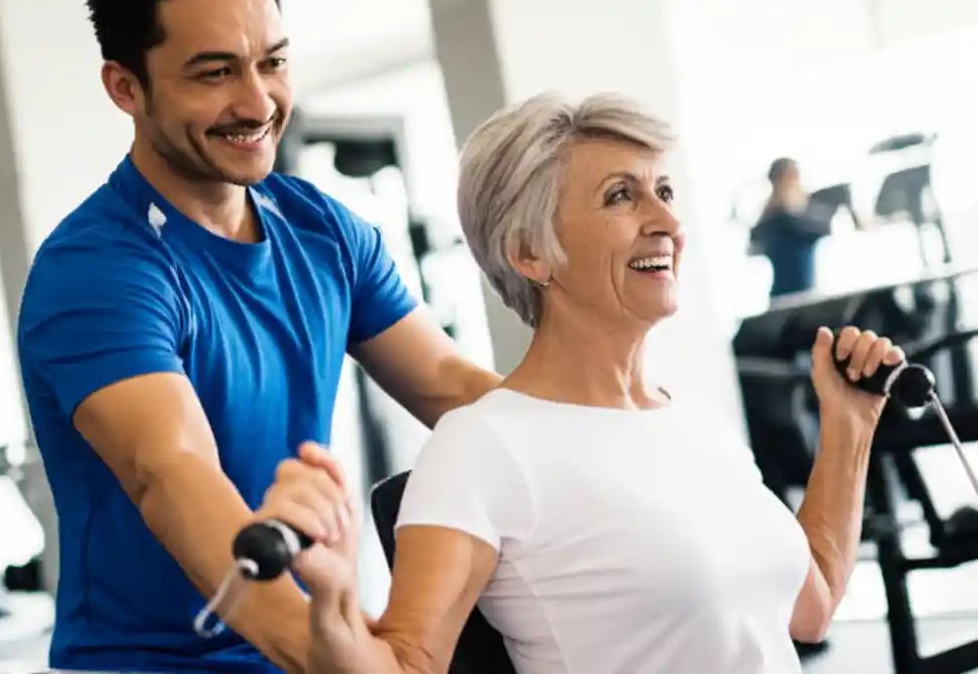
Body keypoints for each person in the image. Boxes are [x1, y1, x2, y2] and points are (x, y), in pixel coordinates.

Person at [260, 93, 904, 673]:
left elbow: (809, 607)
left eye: (666, 193)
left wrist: (849, 424)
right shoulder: (481, 447)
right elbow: (408, 665)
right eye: (622, 196)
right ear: (530, 254)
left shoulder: (692, 424)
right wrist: (337, 600)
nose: (668, 224)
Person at [14, 0, 498, 672]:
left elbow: (454, 388)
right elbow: (169, 472)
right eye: (214, 74)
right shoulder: (98, 269)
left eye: (271, 62)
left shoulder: (323, 230)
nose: (258, 102)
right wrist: (332, 658)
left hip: (312, 641)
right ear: (125, 87)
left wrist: (636, 452)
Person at [751, 157, 832, 297]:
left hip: (806, 292)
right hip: (783, 296)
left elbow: (824, 227)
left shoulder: (805, 215)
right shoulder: (772, 220)